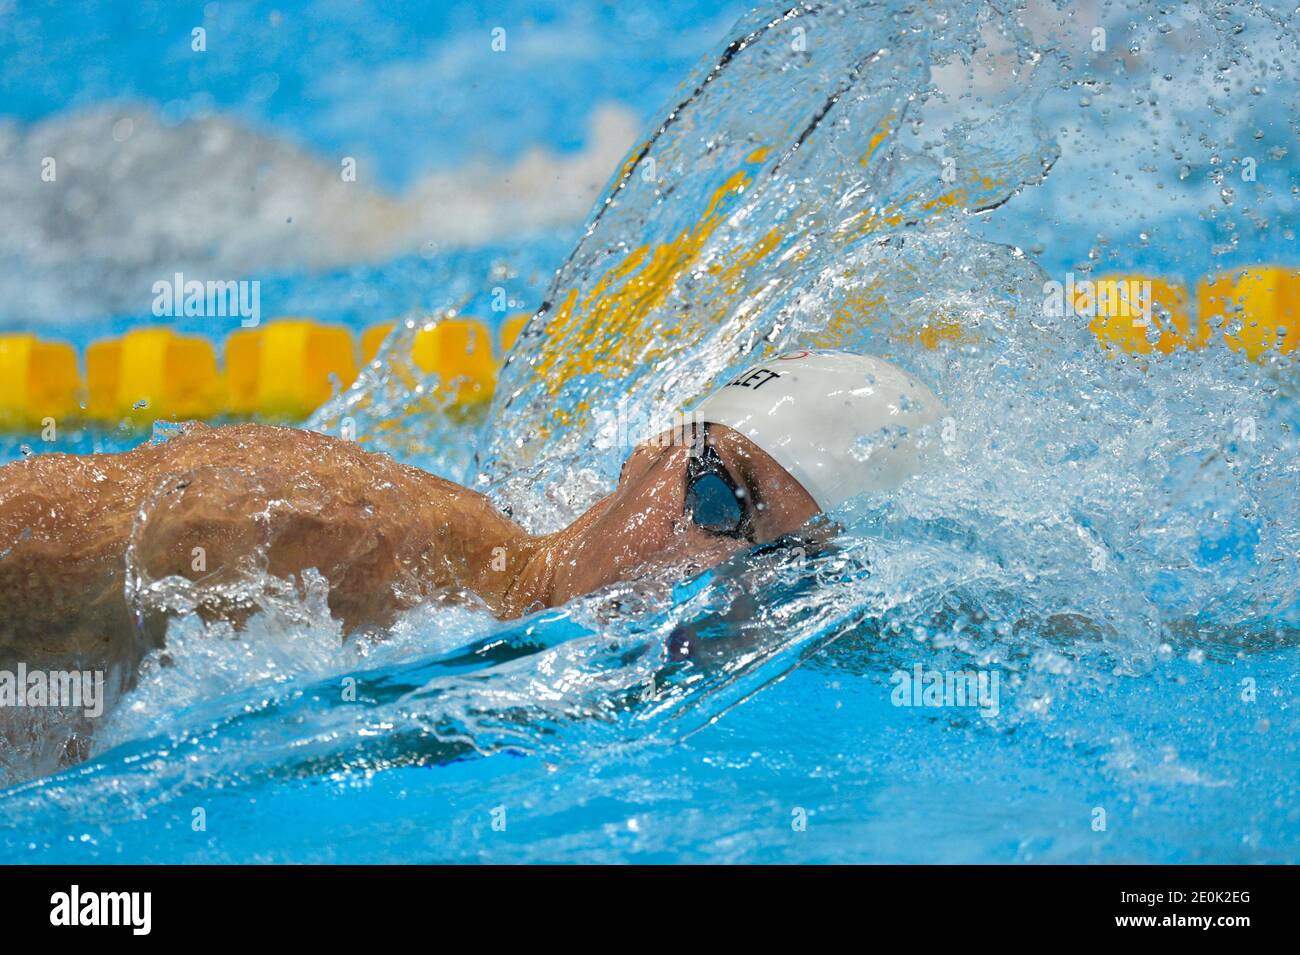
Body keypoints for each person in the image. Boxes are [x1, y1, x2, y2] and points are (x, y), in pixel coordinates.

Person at [0, 350, 942, 679]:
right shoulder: (335, 536)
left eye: (783, 576)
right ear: (649, 453)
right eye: (716, 497)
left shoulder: (500, 627)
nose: (702, 572)